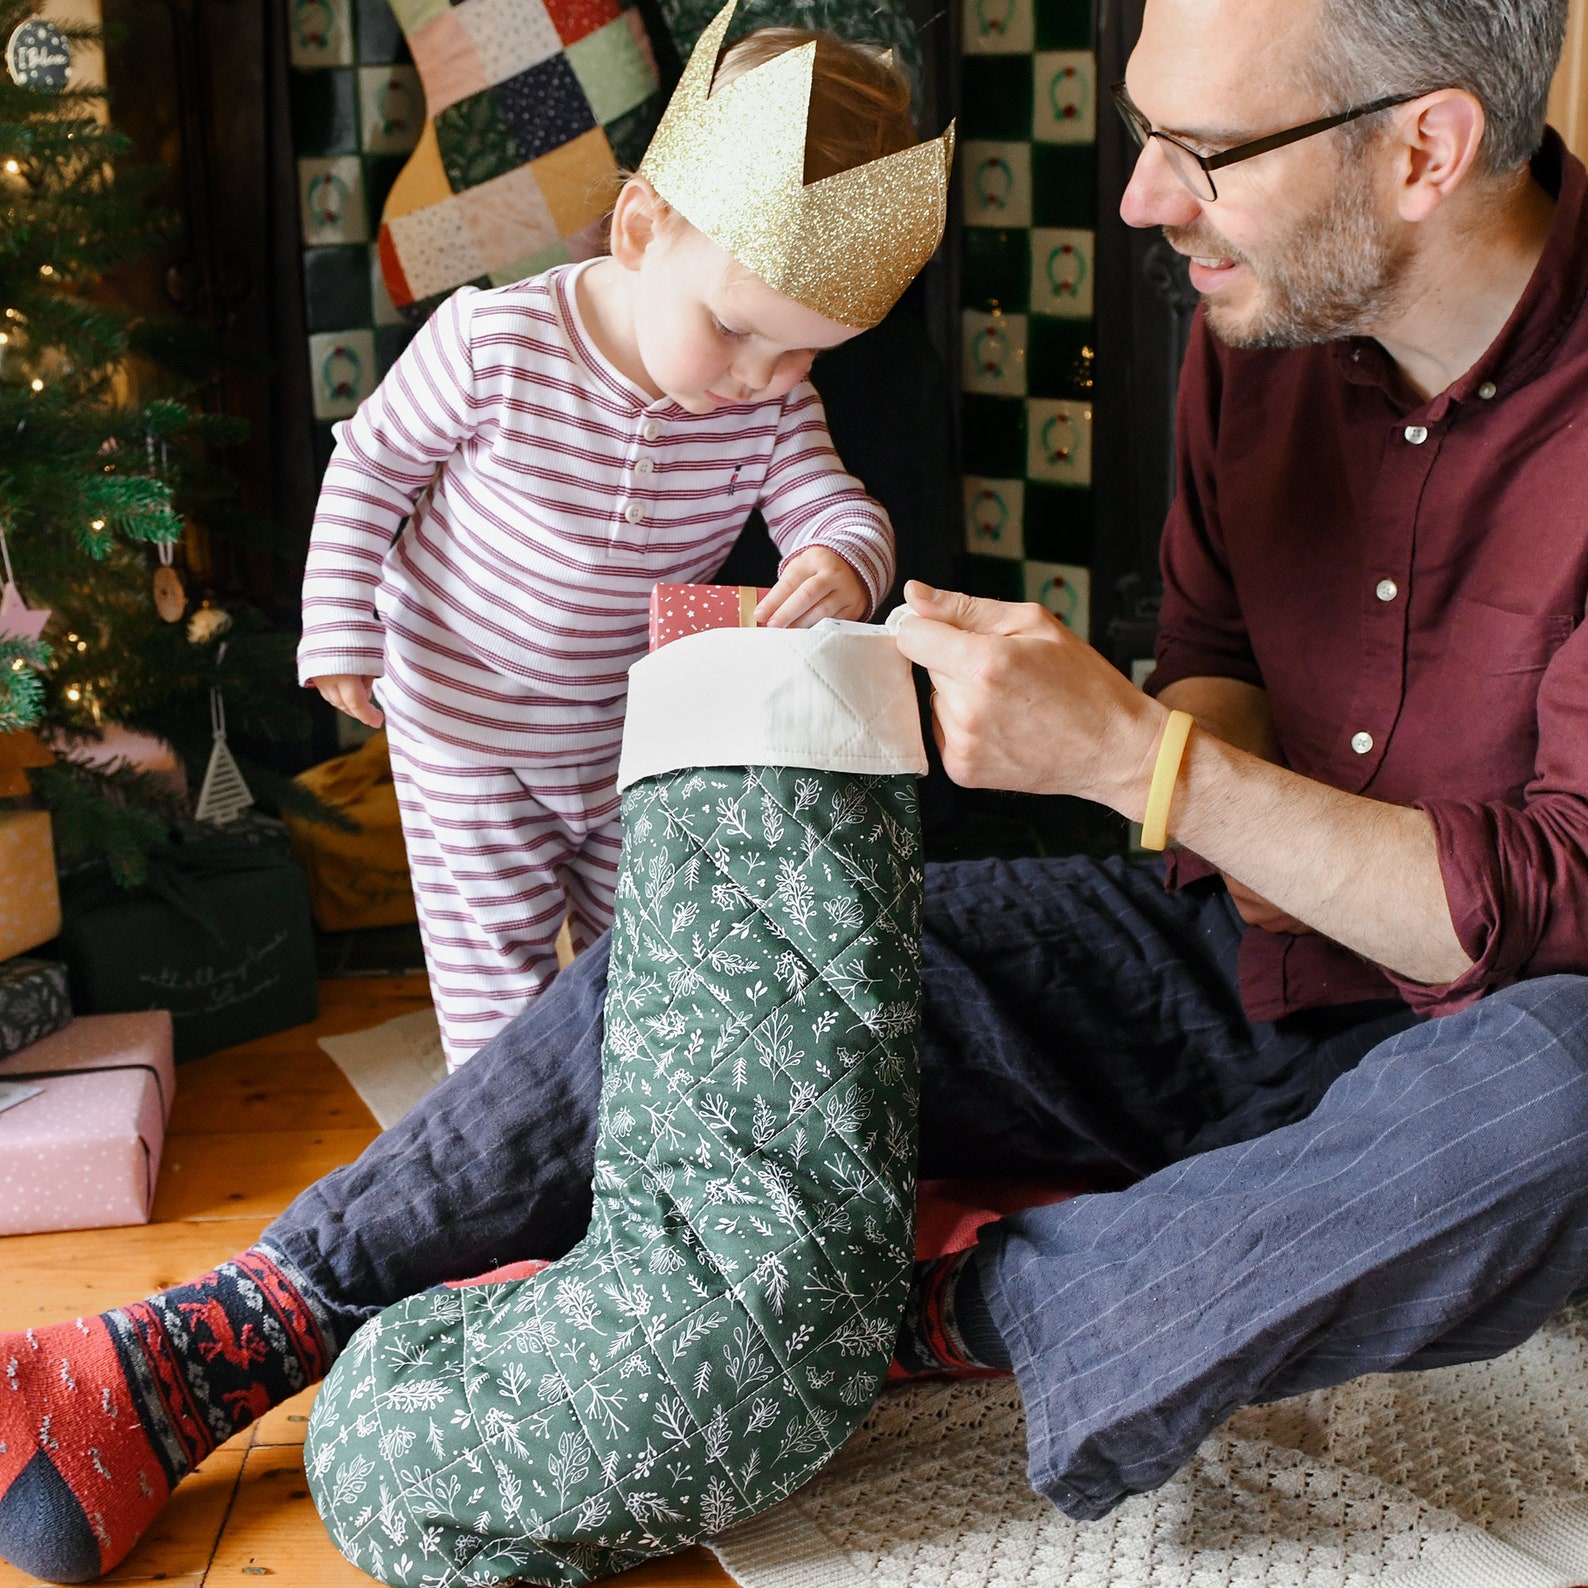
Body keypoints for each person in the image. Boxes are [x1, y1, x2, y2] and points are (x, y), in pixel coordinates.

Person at [4, 0, 1588, 1577]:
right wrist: (1226, 820)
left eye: (1202, 151)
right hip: (1230, 952)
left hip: (1506, 1028)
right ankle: (221, 1335)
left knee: (1562, 1099)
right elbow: (1213, 641)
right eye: (1137, 134)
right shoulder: (1264, 327)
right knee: (754, 946)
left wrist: (1137, 760)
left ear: (1424, 152)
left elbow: (1551, 903)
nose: (1141, 198)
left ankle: (930, 1315)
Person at [297, 26, 917, 1072]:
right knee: (496, 981)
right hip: (466, 723)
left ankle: (622, 1129)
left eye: (803, 351)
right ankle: (504, 1136)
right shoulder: (494, 342)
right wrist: (337, 623)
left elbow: (833, 505)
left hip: (628, 732)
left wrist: (846, 559)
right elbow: (371, 466)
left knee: (651, 954)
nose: (760, 375)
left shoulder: (769, 409)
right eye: (733, 330)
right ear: (639, 228)